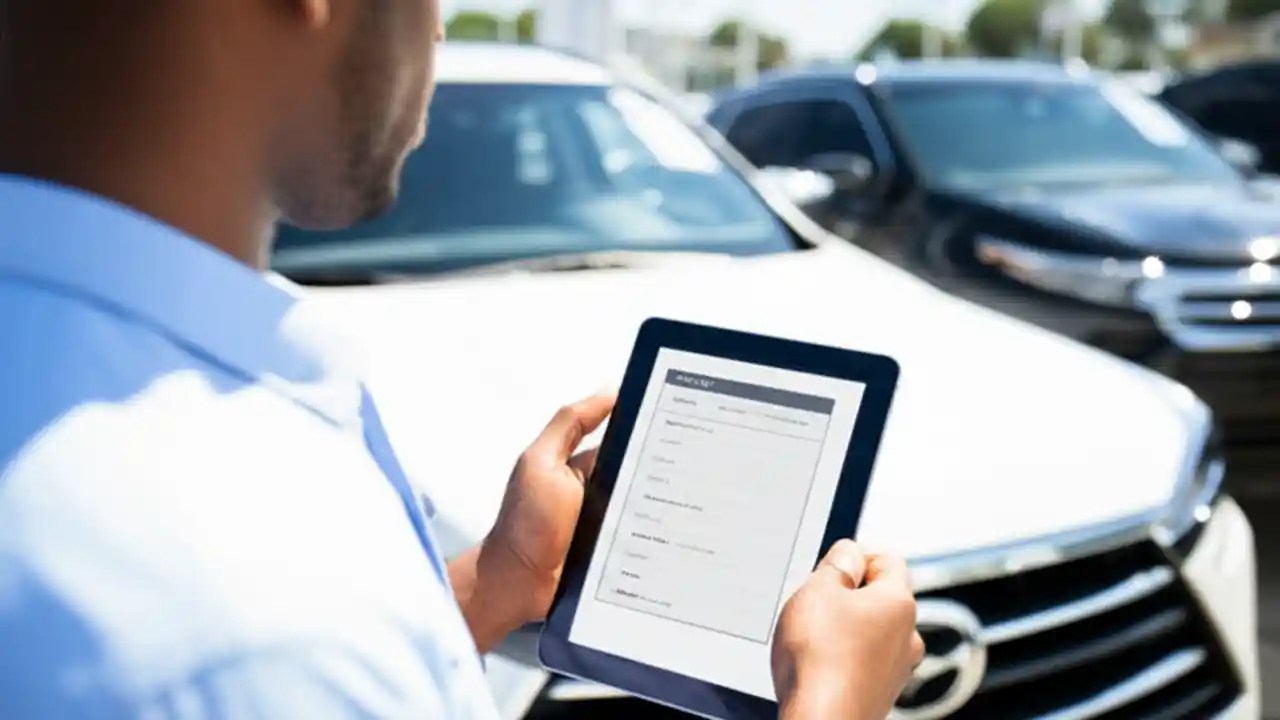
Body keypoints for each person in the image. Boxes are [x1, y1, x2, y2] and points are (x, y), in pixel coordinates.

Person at [0, 1, 924, 718]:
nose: (438, 23)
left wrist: (493, 584)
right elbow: (297, 652)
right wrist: (830, 705)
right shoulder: (249, 626)